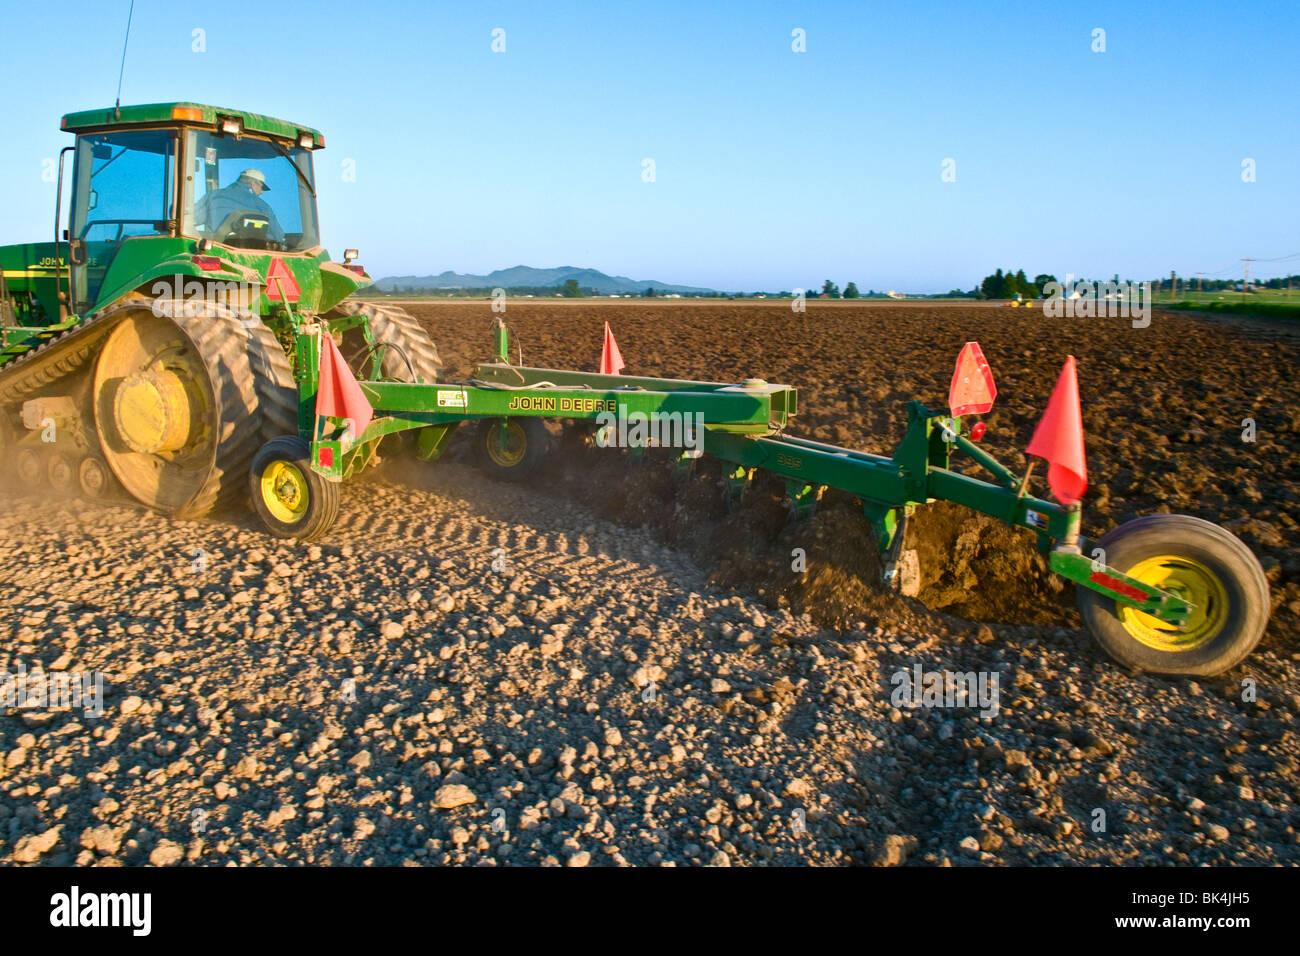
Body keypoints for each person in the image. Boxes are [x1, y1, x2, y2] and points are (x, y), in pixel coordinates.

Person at [194, 168, 286, 244]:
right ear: (253, 184)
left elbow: (192, 219)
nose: (262, 192)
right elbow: (278, 237)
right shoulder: (263, 206)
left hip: (216, 251)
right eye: (262, 187)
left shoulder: (213, 196)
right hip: (251, 254)